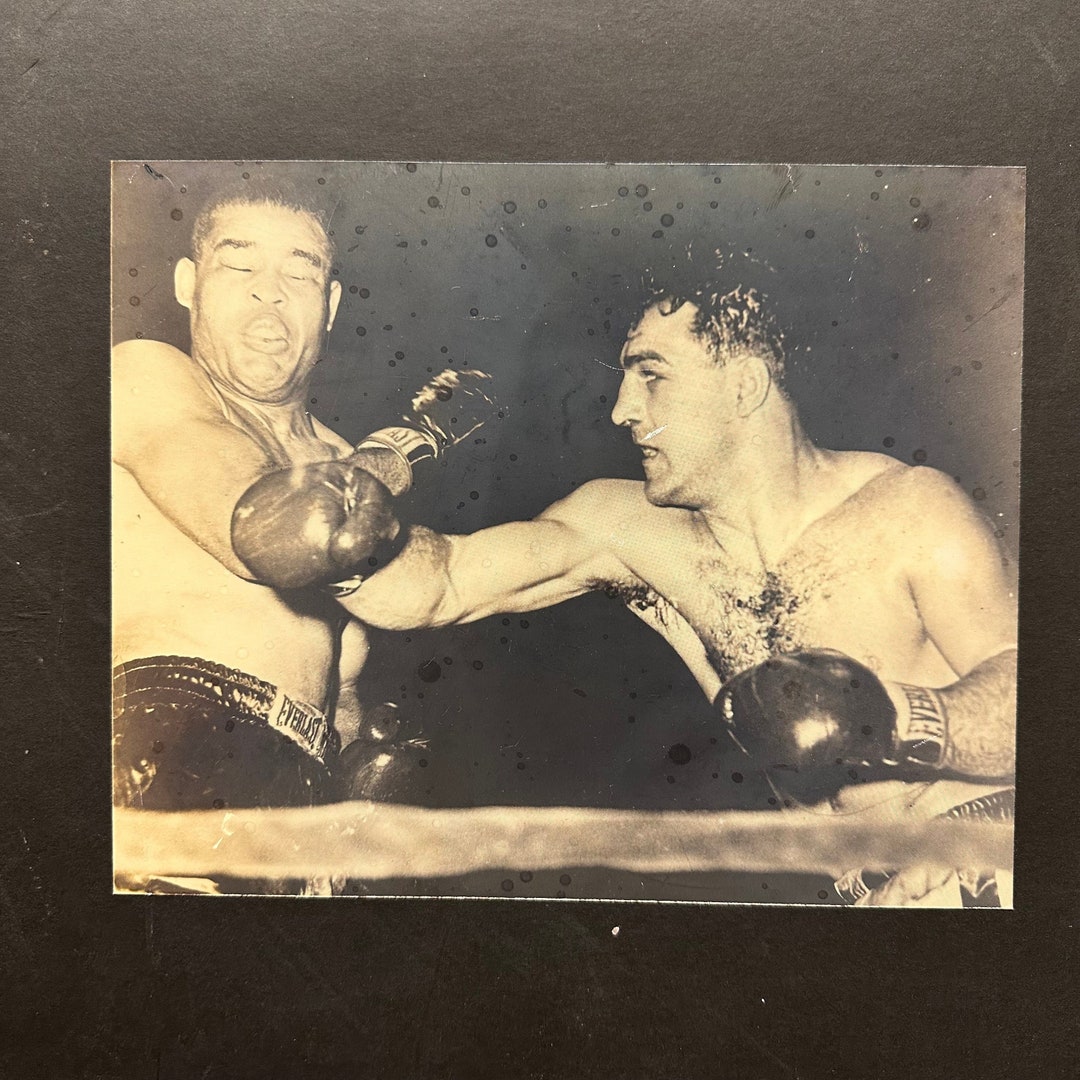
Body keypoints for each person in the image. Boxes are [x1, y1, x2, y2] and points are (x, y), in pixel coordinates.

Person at [323, 248, 1017, 906]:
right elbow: (440, 583)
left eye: (651, 374)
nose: (622, 409)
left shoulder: (906, 510)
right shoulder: (627, 528)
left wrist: (888, 717)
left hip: (982, 847)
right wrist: (334, 535)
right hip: (854, 892)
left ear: (743, 385)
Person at [112, 180, 495, 893]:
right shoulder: (144, 378)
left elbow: (349, 669)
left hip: (305, 818)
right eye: (240, 266)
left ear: (333, 303)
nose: (271, 296)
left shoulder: (342, 463)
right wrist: (410, 446)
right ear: (188, 284)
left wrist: (360, 776)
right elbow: (275, 529)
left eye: (300, 272)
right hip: (173, 758)